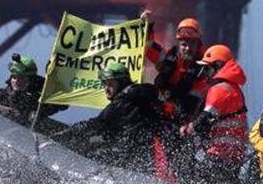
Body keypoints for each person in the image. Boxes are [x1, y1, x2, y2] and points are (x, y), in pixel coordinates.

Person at [40, 63, 176, 178]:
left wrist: (65, 134)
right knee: (96, 145)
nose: (106, 89)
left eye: (110, 84)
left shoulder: (124, 102)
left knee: (89, 152)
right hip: (138, 153)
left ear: (121, 82)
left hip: (136, 154)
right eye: (104, 84)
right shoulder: (132, 98)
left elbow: (95, 124)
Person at [179, 44, 248, 184]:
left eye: (207, 68)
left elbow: (205, 117)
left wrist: (187, 129)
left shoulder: (220, 89)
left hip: (219, 154)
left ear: (218, 66)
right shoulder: (233, 87)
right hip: (232, 156)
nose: (204, 73)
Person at [142, 11, 209, 122]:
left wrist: (170, 108)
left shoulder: (204, 69)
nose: (187, 48)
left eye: (192, 44)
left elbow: (192, 103)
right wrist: (148, 25)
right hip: (161, 108)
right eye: (184, 44)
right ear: (178, 44)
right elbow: (149, 48)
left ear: (198, 44)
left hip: (184, 118)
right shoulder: (170, 57)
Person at [0, 53, 63, 126]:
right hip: (11, 113)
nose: (16, 81)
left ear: (30, 79)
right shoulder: (7, 91)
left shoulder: (42, 90)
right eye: (14, 77)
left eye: (22, 78)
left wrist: (40, 112)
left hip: (32, 121)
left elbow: (61, 104)